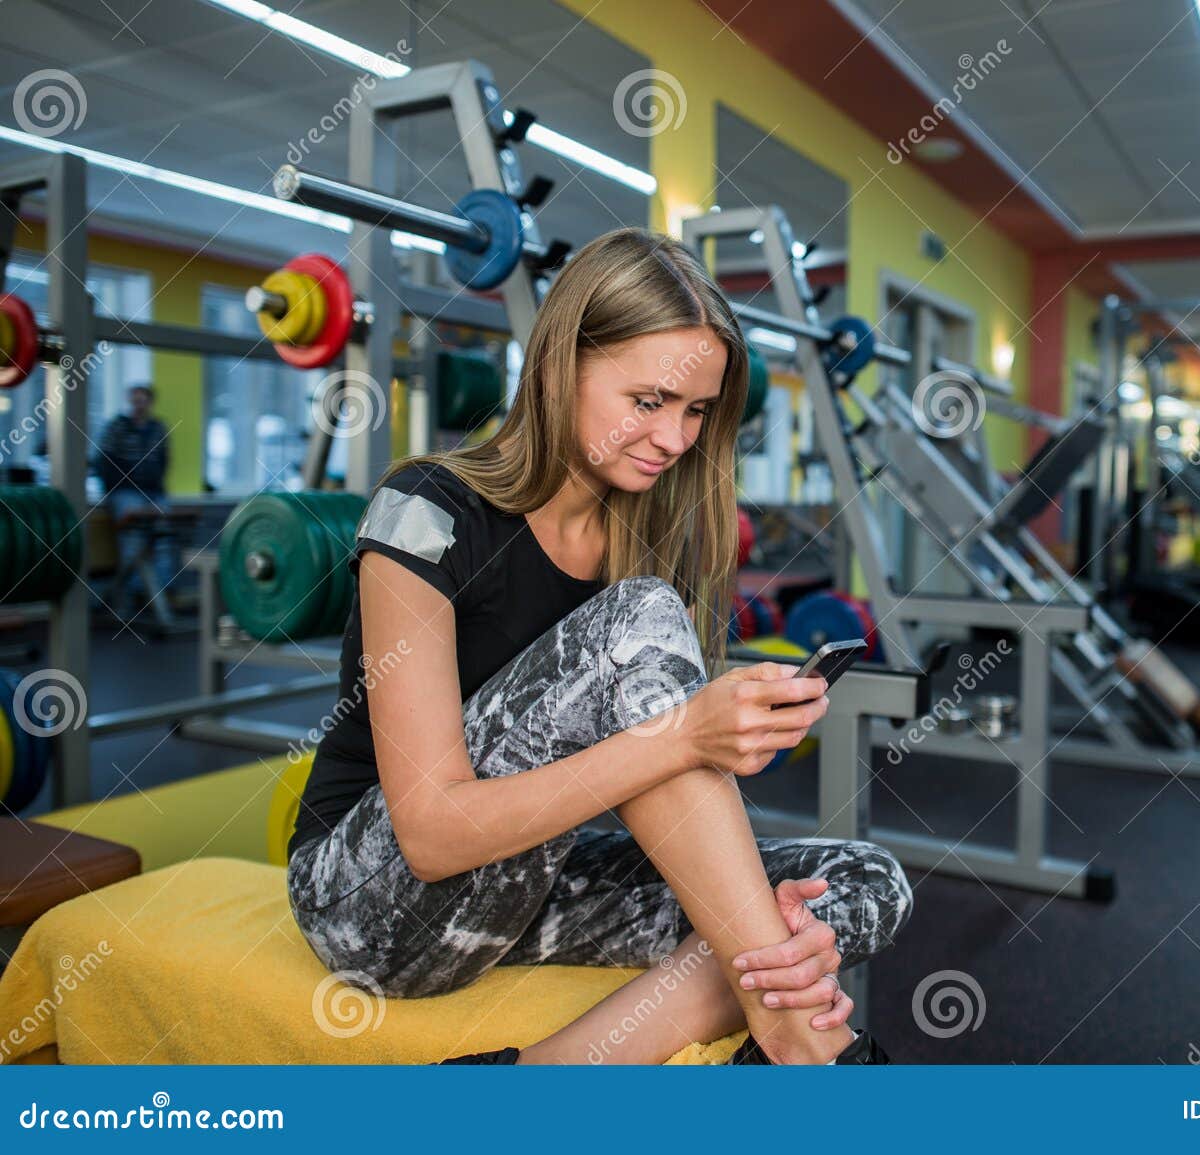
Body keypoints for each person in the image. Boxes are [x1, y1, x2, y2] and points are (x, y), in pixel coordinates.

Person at [284, 228, 910, 1066]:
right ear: (559, 368)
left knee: (857, 886)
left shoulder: (638, 538)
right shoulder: (424, 510)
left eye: (695, 411)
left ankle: (542, 1081)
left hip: (530, 883)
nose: (677, 437)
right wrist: (682, 734)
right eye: (648, 400)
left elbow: (650, 787)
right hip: (374, 904)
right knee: (642, 622)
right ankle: (808, 1045)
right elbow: (430, 834)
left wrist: (728, 725)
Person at [92, 383, 176, 618]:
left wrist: (155, 488)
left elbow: (164, 460)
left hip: (153, 492)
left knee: (165, 540)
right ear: (130, 402)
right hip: (126, 492)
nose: (139, 405)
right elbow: (103, 460)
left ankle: (158, 598)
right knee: (132, 544)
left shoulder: (158, 428)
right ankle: (128, 601)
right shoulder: (116, 427)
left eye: (143, 400)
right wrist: (116, 489)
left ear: (150, 402)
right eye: (135, 400)